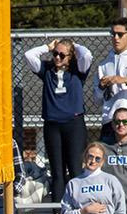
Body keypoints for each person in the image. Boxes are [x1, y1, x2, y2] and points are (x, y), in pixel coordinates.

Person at [24, 38, 95, 202]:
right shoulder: (47, 70)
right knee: (57, 171)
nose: (57, 57)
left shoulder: (78, 70)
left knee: (76, 169)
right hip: (52, 124)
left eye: (62, 55)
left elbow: (87, 55)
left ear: (70, 56)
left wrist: (74, 45)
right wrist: (47, 47)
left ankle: (78, 206)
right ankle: (57, 211)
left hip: (73, 124)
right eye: (55, 54)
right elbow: (29, 55)